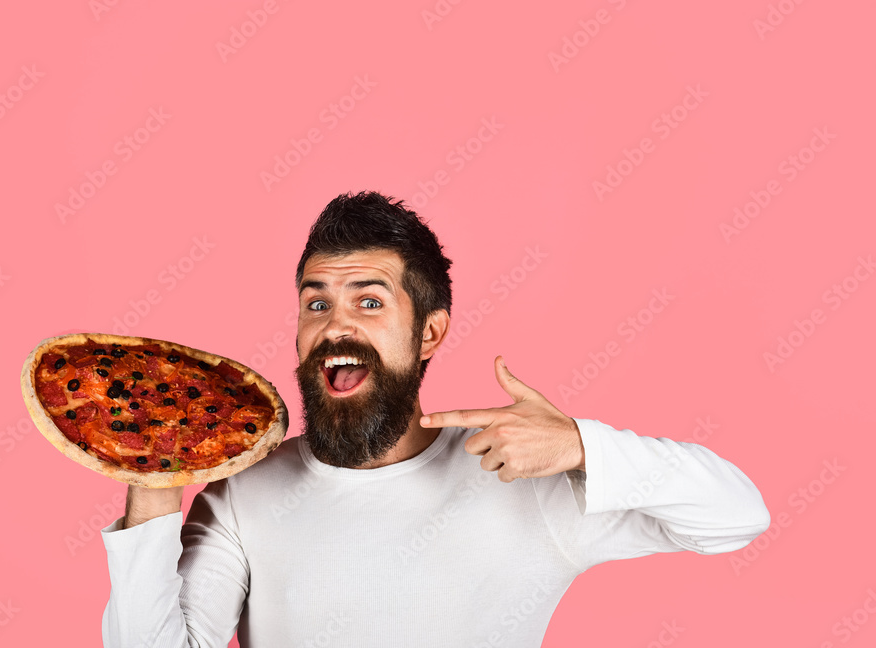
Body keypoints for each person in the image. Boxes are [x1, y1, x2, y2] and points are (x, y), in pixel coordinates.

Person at [101, 191, 770, 647]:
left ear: (429, 331)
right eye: (316, 304)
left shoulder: (521, 477)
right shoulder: (243, 491)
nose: (335, 324)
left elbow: (735, 516)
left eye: (368, 302)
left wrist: (581, 446)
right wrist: (154, 470)